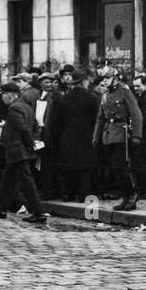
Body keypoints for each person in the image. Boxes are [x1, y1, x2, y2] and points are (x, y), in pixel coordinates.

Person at [0, 81, 47, 225]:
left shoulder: (14, 108)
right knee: (7, 181)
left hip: (17, 150)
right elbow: (34, 126)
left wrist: (30, 144)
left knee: (27, 183)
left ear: (11, 95)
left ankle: (38, 212)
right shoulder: (27, 107)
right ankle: (0, 209)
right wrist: (33, 142)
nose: (2, 98)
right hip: (19, 151)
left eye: (3, 95)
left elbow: (22, 128)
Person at [94, 66, 143, 211]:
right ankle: (125, 197)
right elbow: (100, 118)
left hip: (122, 134)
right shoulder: (105, 95)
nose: (105, 81)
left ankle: (132, 195)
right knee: (114, 169)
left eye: (107, 78)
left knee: (120, 167)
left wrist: (137, 135)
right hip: (108, 135)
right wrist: (96, 136)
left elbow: (136, 114)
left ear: (115, 79)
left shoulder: (124, 92)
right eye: (103, 78)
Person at [51, 70, 100, 202]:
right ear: (84, 82)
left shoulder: (64, 99)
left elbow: (57, 121)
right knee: (85, 167)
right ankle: (84, 195)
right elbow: (96, 119)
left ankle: (68, 194)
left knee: (69, 166)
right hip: (87, 136)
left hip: (68, 136)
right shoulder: (91, 98)